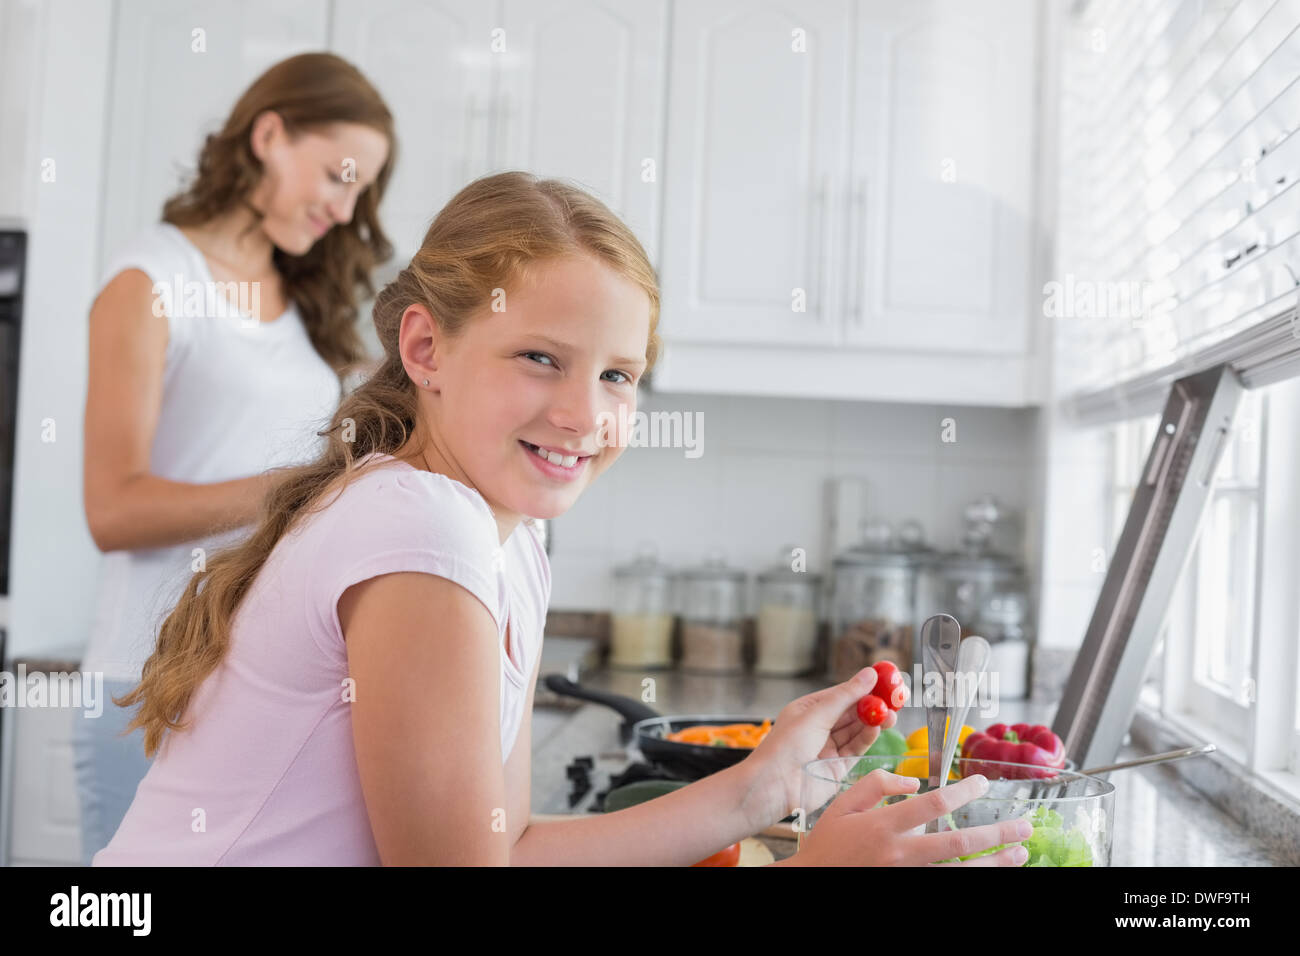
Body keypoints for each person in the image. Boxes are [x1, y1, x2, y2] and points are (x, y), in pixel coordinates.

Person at [92, 170, 1029, 866]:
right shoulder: (420, 528)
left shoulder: (510, 542)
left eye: (618, 374)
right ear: (427, 347)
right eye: (540, 357)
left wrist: (763, 789)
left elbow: (507, 849)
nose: (587, 414)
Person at [77, 52, 395, 865]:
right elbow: (113, 509)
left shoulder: (297, 301)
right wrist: (307, 486)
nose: (345, 207)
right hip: (145, 682)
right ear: (268, 135)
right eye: (337, 175)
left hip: (252, 684)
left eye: (361, 191)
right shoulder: (152, 279)